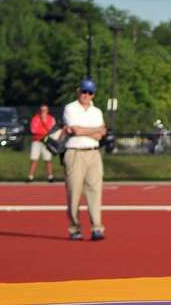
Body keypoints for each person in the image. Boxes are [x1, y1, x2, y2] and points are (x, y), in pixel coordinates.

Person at [62, 79, 107, 240]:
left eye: (90, 92)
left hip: (94, 153)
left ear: (93, 94)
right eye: (84, 91)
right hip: (75, 153)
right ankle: (74, 228)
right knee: (74, 192)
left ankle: (97, 228)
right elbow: (75, 130)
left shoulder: (97, 112)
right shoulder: (70, 108)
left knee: (95, 191)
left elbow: (101, 134)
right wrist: (94, 130)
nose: (86, 95)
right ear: (78, 91)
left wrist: (84, 131)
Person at [27, 103, 56, 183]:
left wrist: (44, 124)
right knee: (34, 159)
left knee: (48, 159)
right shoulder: (35, 118)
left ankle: (50, 176)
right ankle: (30, 177)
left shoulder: (51, 119)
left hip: (46, 142)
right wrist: (44, 132)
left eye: (45, 110)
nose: (43, 111)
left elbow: (52, 130)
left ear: (47, 110)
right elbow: (33, 130)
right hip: (36, 141)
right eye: (42, 110)